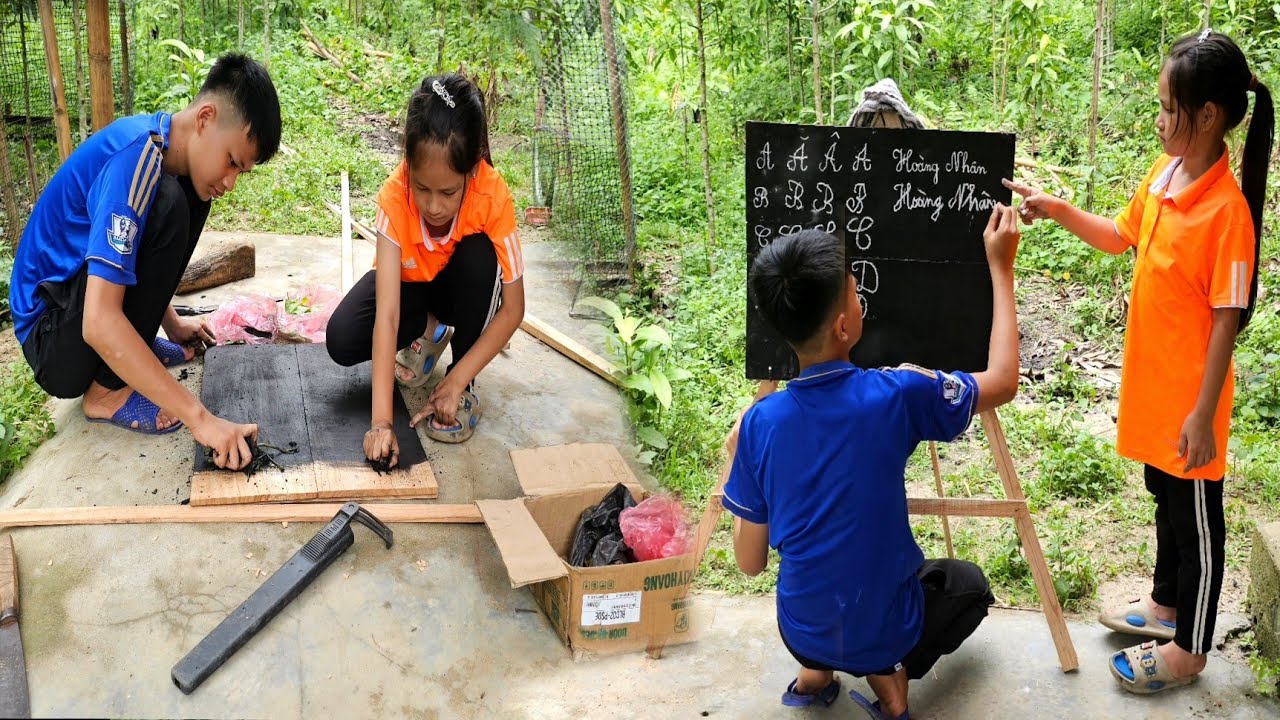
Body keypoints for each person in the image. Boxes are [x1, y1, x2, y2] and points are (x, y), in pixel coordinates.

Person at [1005, 28, 1272, 695]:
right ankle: (1164, 604)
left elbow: (1225, 321)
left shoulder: (1227, 215)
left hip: (1192, 404)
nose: (1157, 121)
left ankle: (1189, 650)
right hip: (1153, 391)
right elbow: (1120, 236)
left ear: (1209, 115)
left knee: (1196, 524)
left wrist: (1205, 413)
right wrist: (1058, 208)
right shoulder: (1165, 176)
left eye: (1167, 108)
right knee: (1163, 500)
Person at [724, 205, 1021, 718]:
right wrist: (1001, 267)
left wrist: (738, 459)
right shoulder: (897, 394)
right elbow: (1004, 380)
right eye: (856, 292)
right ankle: (891, 681)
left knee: (822, 591)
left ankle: (814, 674)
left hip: (799, 630)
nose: (862, 296)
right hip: (884, 632)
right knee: (967, 586)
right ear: (844, 326)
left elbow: (749, 565)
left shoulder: (760, 424)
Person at [8, 53, 282, 470]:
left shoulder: (166, 152)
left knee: (192, 195)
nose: (231, 181)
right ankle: (105, 392)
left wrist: (170, 322)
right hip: (50, 339)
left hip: (72, 306)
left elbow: (126, 254)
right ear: (205, 118)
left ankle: (136, 341)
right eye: (232, 161)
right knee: (172, 202)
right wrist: (201, 419)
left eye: (241, 172)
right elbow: (98, 321)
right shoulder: (134, 161)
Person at [326, 73, 525, 462]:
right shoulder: (395, 196)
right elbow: (386, 315)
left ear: (470, 172)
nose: (434, 206)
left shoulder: (493, 195)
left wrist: (454, 382)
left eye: (448, 192)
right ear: (407, 169)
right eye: (422, 188)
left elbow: (514, 308)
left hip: (462, 289)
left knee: (480, 256)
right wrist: (381, 423)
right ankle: (429, 331)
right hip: (414, 287)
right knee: (342, 338)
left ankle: (463, 381)